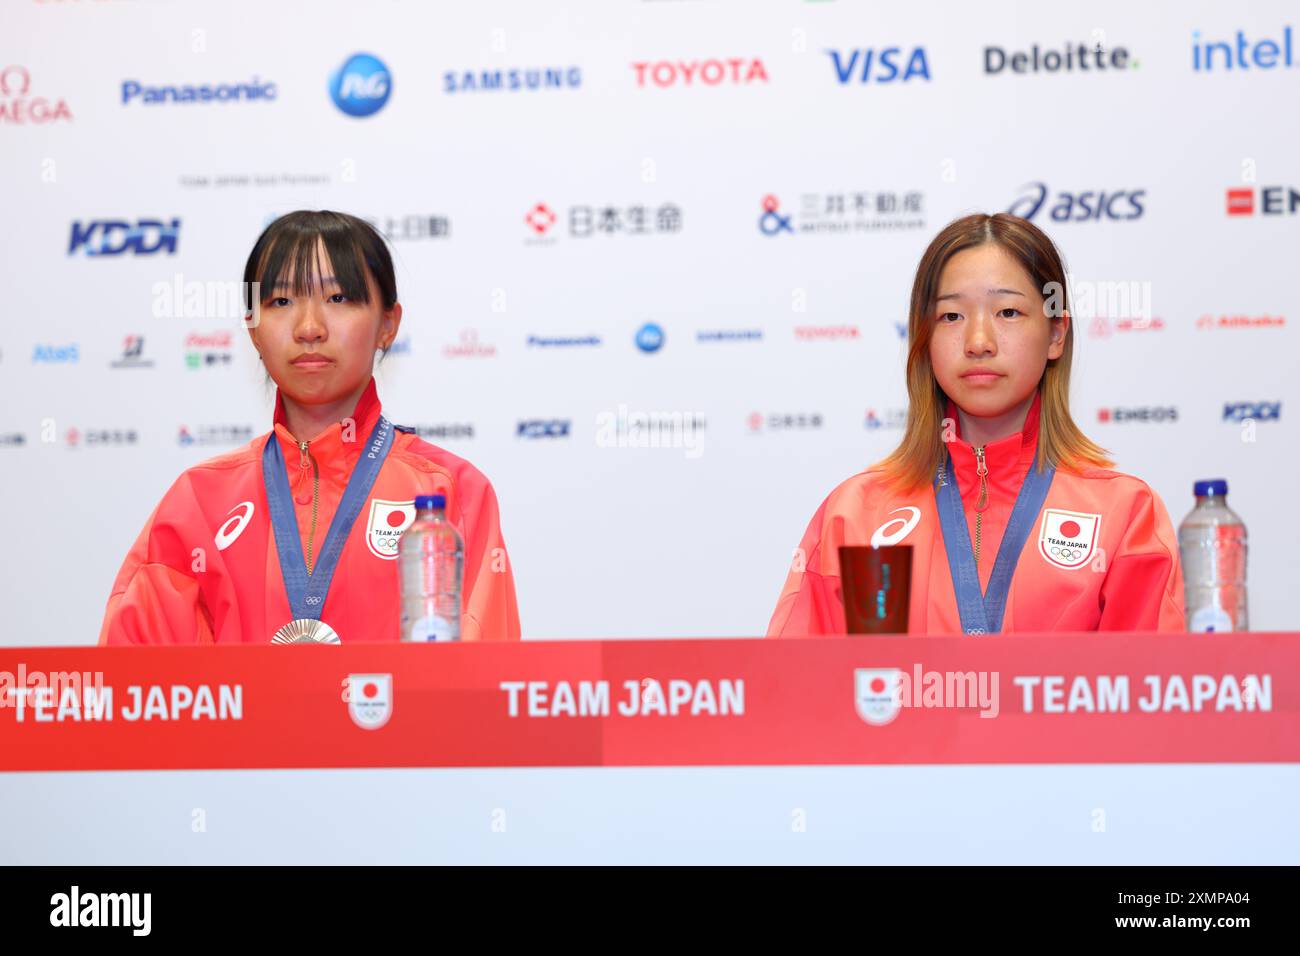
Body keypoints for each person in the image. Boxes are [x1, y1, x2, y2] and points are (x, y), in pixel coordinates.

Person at [99, 210, 520, 644]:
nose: (309, 328)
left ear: (388, 325)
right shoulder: (197, 505)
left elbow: (483, 685)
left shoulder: (452, 494)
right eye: (281, 302)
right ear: (254, 331)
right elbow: (139, 692)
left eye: (338, 298)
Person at [767, 213, 1185, 636]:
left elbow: (1147, 693)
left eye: (1007, 311)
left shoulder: (1124, 514)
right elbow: (800, 690)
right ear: (923, 337)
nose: (979, 342)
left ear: (1056, 333)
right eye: (951, 317)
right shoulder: (855, 516)